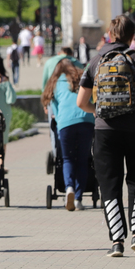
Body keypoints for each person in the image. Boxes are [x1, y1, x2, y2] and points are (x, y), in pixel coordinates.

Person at [77, 15, 135, 257]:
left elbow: (81, 102)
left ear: (110, 35)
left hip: (105, 132)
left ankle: (116, 241)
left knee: (109, 184)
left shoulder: (95, 61)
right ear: (132, 37)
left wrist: (98, 111)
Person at [43, 58, 93, 211]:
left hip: (66, 123)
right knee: (83, 160)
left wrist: (59, 122)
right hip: (86, 120)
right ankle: (78, 199)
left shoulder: (55, 82)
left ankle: (69, 188)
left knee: (67, 159)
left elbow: (54, 108)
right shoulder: (83, 78)